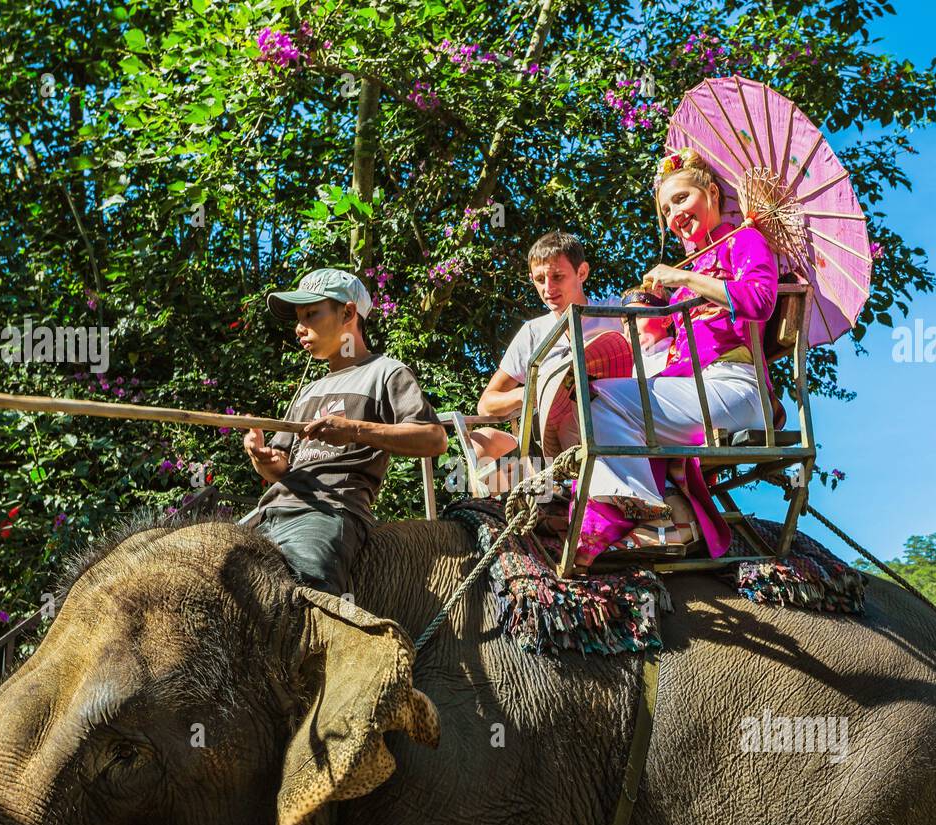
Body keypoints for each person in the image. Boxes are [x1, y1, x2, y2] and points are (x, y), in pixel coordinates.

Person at [571, 148, 785, 567]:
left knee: (595, 398)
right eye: (666, 209)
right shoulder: (698, 264)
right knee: (591, 397)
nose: (674, 215)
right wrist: (652, 313)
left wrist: (682, 277)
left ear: (710, 190)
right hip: (695, 390)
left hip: (734, 386)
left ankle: (630, 513)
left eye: (681, 199)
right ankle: (666, 514)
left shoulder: (745, 239)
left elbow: (760, 301)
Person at [244, 268, 447, 595]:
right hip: (271, 512)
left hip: (330, 512)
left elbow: (434, 439)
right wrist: (261, 456)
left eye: (311, 314)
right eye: (298, 317)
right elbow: (278, 468)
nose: (300, 328)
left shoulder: (386, 373)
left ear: (349, 313)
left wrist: (353, 430)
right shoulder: (307, 391)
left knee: (303, 601)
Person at [468, 231, 620, 483]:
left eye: (557, 276)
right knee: (482, 440)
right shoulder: (533, 332)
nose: (548, 288)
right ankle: (495, 518)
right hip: (550, 446)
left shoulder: (615, 312)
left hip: (609, 428)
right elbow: (486, 403)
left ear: (581, 272)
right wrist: (536, 392)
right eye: (539, 279)